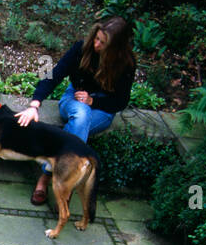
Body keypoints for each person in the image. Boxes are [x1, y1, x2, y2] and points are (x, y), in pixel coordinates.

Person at [19, 17, 136, 205]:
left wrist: (93, 100)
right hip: (73, 100)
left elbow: (121, 102)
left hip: (102, 109)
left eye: (103, 43)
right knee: (80, 115)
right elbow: (53, 74)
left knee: (80, 122)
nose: (96, 44)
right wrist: (35, 104)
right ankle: (65, 184)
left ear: (115, 48)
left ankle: (46, 176)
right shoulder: (82, 48)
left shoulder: (126, 63)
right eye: (96, 38)